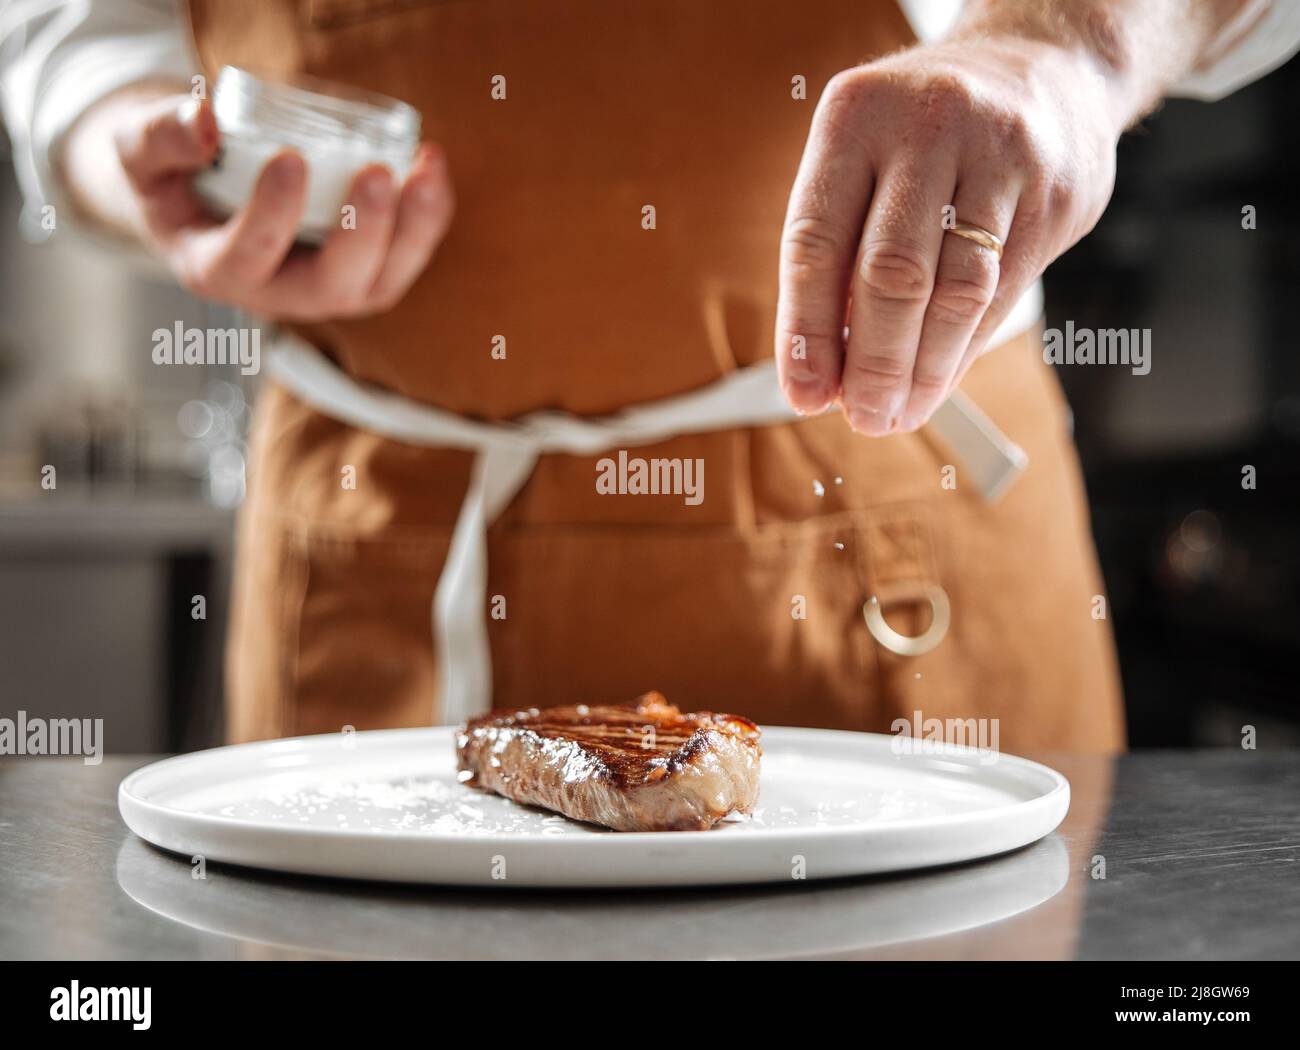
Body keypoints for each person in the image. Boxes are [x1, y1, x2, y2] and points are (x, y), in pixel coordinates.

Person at [3, 0, 1297, 750]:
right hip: (375, 576)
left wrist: (1066, 44)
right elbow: (71, 29)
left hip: (892, 570)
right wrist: (132, 148)